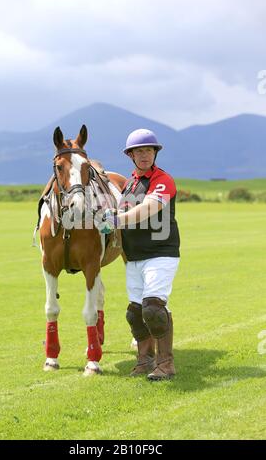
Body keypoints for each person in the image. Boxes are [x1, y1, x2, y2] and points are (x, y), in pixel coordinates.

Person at [100, 129, 180, 381]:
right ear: (131, 155)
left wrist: (115, 220)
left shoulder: (162, 180)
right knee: (135, 313)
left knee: (153, 309)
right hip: (134, 258)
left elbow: (148, 209)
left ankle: (165, 364)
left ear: (155, 153)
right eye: (139, 151)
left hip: (160, 253)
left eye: (148, 150)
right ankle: (144, 360)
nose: (144, 155)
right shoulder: (130, 184)